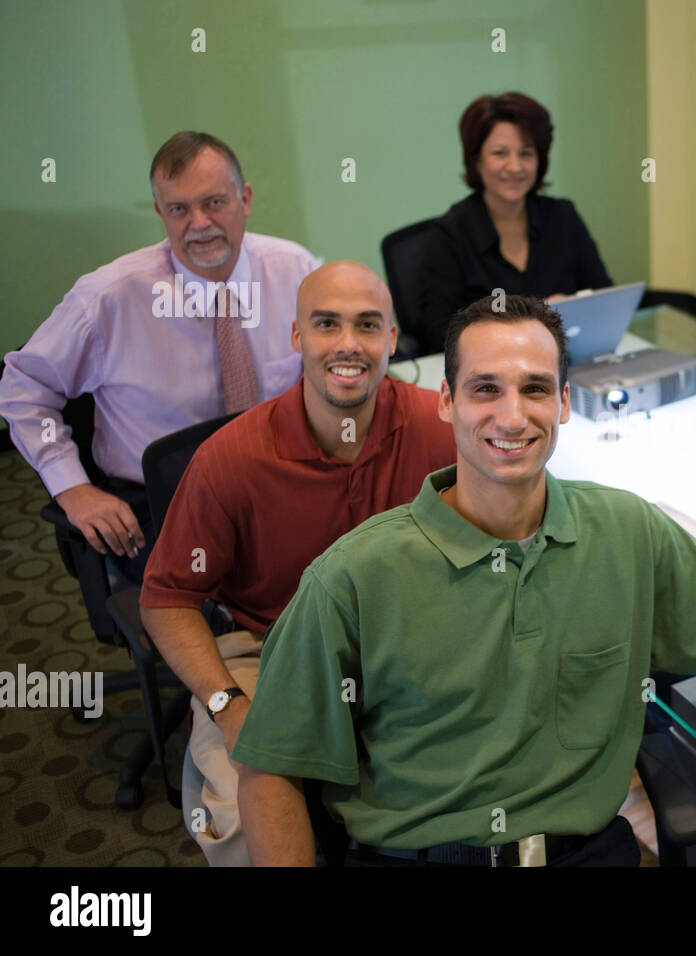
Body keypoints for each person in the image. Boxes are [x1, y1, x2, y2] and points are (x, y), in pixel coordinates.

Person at [233, 293, 696, 867]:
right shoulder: (353, 576)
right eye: (485, 389)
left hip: (584, 852)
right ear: (446, 401)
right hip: (418, 856)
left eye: (535, 389)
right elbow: (272, 768)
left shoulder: (627, 531)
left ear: (565, 402)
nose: (512, 416)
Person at [138, 262, 457, 867]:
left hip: (411, 640)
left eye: (367, 326)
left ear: (392, 339)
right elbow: (165, 599)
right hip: (270, 649)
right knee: (238, 813)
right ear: (296, 338)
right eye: (326, 324)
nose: (347, 344)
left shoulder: (443, 428)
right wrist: (227, 706)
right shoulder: (230, 458)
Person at [0, 131, 320, 581]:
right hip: (165, 505)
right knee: (254, 597)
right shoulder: (107, 299)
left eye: (214, 203)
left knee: (359, 562)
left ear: (244, 198)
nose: (199, 223)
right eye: (179, 209)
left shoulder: (297, 271)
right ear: (160, 213)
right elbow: (22, 388)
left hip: (281, 480)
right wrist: (71, 487)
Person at [405, 92, 613, 355]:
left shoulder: (563, 217)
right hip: (488, 373)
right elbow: (438, 333)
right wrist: (535, 319)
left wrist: (574, 306)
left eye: (526, 153)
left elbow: (604, 298)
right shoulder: (449, 235)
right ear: (477, 160)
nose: (515, 167)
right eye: (500, 153)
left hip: (563, 362)